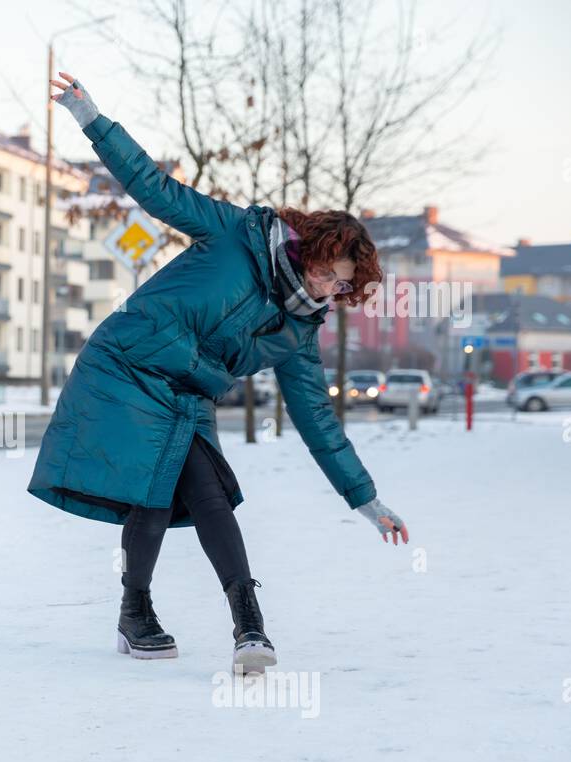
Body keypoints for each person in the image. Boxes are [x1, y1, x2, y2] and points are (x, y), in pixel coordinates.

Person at [27, 73, 409, 675]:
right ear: (313, 246)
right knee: (149, 498)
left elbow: (318, 422)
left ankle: (240, 627)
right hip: (128, 366)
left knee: (202, 495)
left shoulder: (299, 333)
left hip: (186, 392)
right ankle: (149, 615)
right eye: (335, 274)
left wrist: (366, 499)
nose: (334, 290)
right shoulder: (236, 232)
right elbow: (155, 188)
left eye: (344, 288)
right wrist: (91, 119)